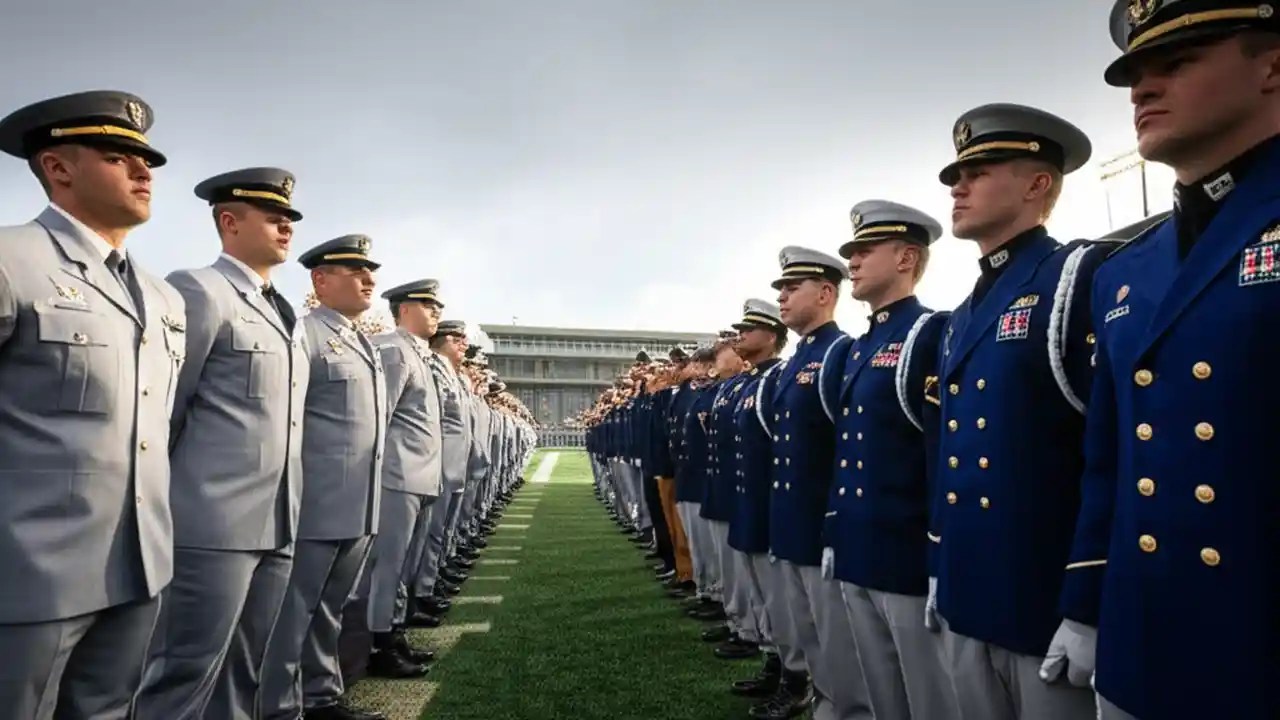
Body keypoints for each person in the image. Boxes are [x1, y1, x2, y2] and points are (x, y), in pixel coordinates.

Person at [1054, 3, 1280, 718]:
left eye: (1176, 64)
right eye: (1135, 74)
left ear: (1272, 64)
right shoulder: (1125, 271)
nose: (1141, 90)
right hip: (1143, 642)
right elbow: (1110, 462)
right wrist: (1086, 605)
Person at [0, 90, 184, 720]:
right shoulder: (10, 259)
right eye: (118, 156)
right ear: (58, 167)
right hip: (30, 571)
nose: (144, 171)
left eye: (147, 161)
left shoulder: (161, 297)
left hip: (138, 560)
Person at [929, 103, 1115, 720]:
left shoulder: (1075, 276)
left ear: (1038, 184)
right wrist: (940, 566)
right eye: (957, 173)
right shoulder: (962, 315)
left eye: (980, 170)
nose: (958, 186)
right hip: (969, 590)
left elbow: (1111, 448)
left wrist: (1087, 599)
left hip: (1042, 596)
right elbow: (948, 453)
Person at [136, 168, 308, 719]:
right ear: (228, 221)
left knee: (244, 666)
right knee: (184, 671)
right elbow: (168, 407)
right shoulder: (200, 290)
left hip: (278, 518)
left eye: (289, 219)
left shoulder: (286, 313)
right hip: (213, 522)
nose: (286, 227)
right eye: (273, 217)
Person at [821, 200, 955, 719]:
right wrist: (836, 529)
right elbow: (846, 445)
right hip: (858, 542)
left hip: (903, 549)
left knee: (927, 696)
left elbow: (938, 451)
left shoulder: (929, 331)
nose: (852, 262)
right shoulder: (859, 347)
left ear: (906, 258)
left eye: (864, 251)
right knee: (880, 691)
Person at [260, 235, 388, 720]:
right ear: (320, 279)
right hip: (315, 499)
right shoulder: (304, 332)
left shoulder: (361, 342)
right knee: (293, 615)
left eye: (369, 271)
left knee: (329, 610)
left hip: (360, 500)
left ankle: (321, 699)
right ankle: (277, 707)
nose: (368, 279)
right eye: (355, 271)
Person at [759, 246, 873, 720]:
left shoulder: (840, 352)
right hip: (791, 522)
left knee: (837, 646)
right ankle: (817, 701)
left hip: (819, 523)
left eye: (792, 288)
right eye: (781, 290)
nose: (782, 298)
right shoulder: (796, 361)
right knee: (808, 634)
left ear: (826, 293)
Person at [365, 279, 448, 676]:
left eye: (438, 306)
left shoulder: (419, 354)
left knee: (401, 566)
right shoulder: (394, 350)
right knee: (389, 565)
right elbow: (379, 417)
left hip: (419, 475)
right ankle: (380, 644)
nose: (437, 312)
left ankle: (394, 633)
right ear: (403, 310)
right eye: (427, 305)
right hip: (398, 474)